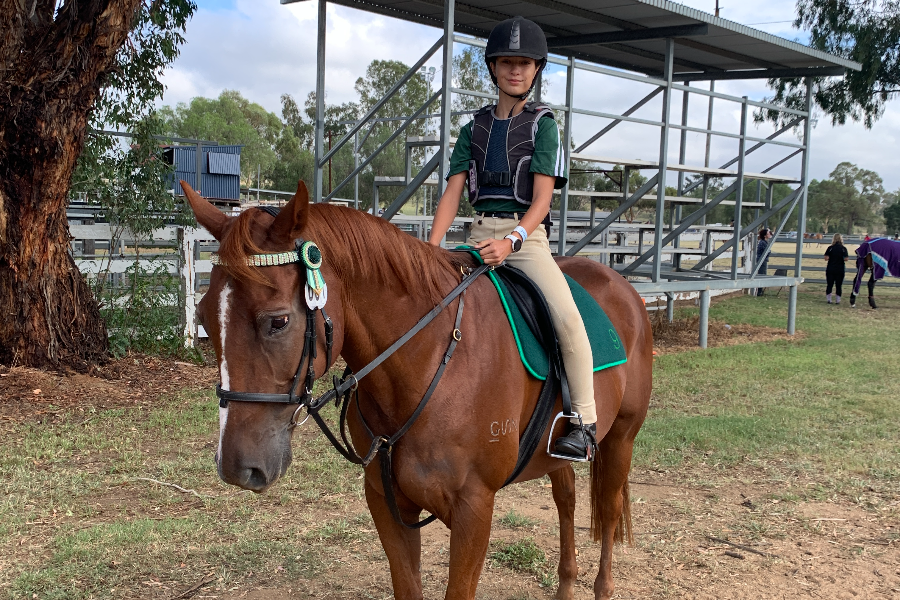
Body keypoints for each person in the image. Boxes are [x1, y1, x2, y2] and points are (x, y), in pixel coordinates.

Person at [427, 16, 595, 461]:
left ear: (536, 68)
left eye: (523, 63)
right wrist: (432, 245)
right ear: (494, 68)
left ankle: (583, 421)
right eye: (506, 62)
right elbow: (452, 192)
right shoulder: (474, 128)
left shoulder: (545, 126)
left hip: (526, 240)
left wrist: (513, 241)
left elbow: (542, 201)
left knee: (568, 321)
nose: (515, 70)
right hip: (477, 234)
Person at [824, 233, 849, 303]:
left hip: (831, 268)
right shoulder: (843, 249)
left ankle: (829, 299)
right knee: (839, 285)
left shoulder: (830, 248)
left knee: (829, 284)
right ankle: (838, 300)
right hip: (840, 269)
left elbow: (826, 258)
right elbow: (846, 259)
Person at [755, 228, 772, 296]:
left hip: (763, 260)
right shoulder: (763, 242)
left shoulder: (764, 242)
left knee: (762, 274)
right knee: (761, 275)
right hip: (762, 261)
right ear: (765, 235)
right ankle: (759, 292)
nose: (769, 234)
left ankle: (760, 291)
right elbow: (767, 252)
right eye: (768, 233)